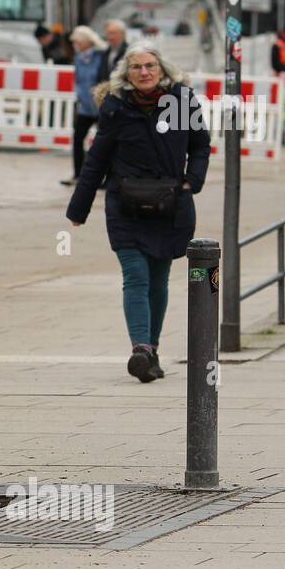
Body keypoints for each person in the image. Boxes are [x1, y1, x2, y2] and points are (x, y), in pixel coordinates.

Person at [66, 40, 210, 384]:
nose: (144, 72)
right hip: (124, 206)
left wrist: (193, 181)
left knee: (158, 281)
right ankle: (141, 348)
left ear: (161, 70)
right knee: (136, 276)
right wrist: (79, 207)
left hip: (168, 204)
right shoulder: (116, 106)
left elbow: (200, 143)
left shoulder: (180, 101)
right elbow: (97, 158)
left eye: (150, 66)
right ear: (126, 73)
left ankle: (152, 350)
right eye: (136, 67)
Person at [65, 26, 108, 187]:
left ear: (85, 42)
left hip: (99, 106)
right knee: (77, 139)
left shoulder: (101, 56)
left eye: (77, 42)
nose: (75, 45)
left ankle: (103, 176)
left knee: (103, 143)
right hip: (84, 107)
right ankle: (77, 174)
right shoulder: (78, 58)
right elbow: (78, 80)